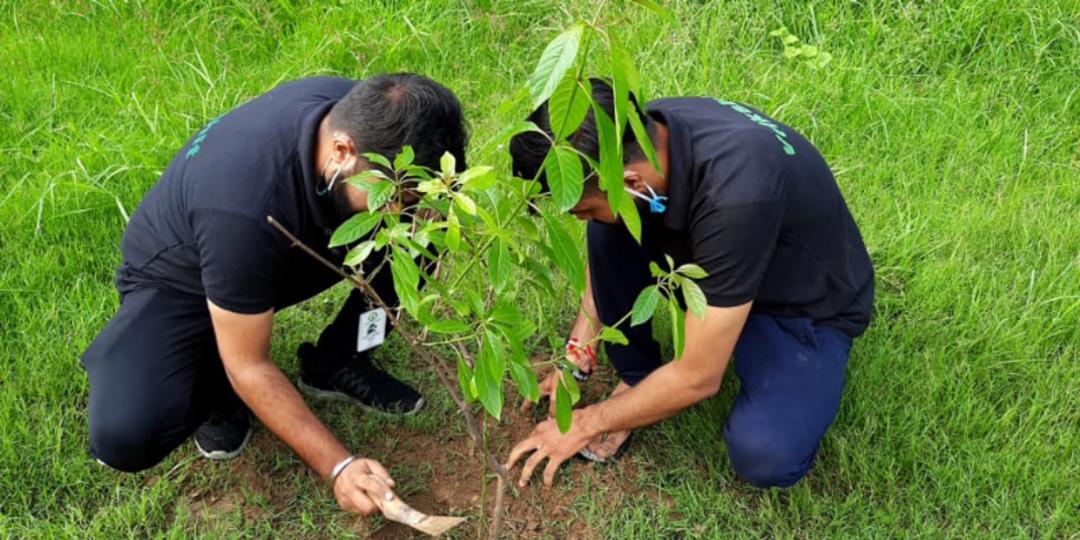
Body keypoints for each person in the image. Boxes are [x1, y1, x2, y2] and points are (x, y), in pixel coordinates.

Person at [80, 74, 468, 516]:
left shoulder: (370, 118)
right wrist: (339, 466)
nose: (398, 208)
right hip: (181, 278)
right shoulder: (240, 208)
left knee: (424, 232)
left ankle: (338, 361)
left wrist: (423, 206)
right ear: (342, 151)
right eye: (391, 194)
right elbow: (251, 364)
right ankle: (215, 386)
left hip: (276, 244)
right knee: (127, 431)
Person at [506, 79, 874, 489]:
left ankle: (718, 354)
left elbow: (698, 377)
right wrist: (578, 349)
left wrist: (586, 424)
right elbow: (606, 235)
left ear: (631, 180)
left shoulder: (738, 195)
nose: (582, 219)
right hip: (723, 249)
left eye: (584, 209)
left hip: (799, 303)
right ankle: (638, 377)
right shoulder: (640, 135)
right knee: (612, 223)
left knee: (766, 452)